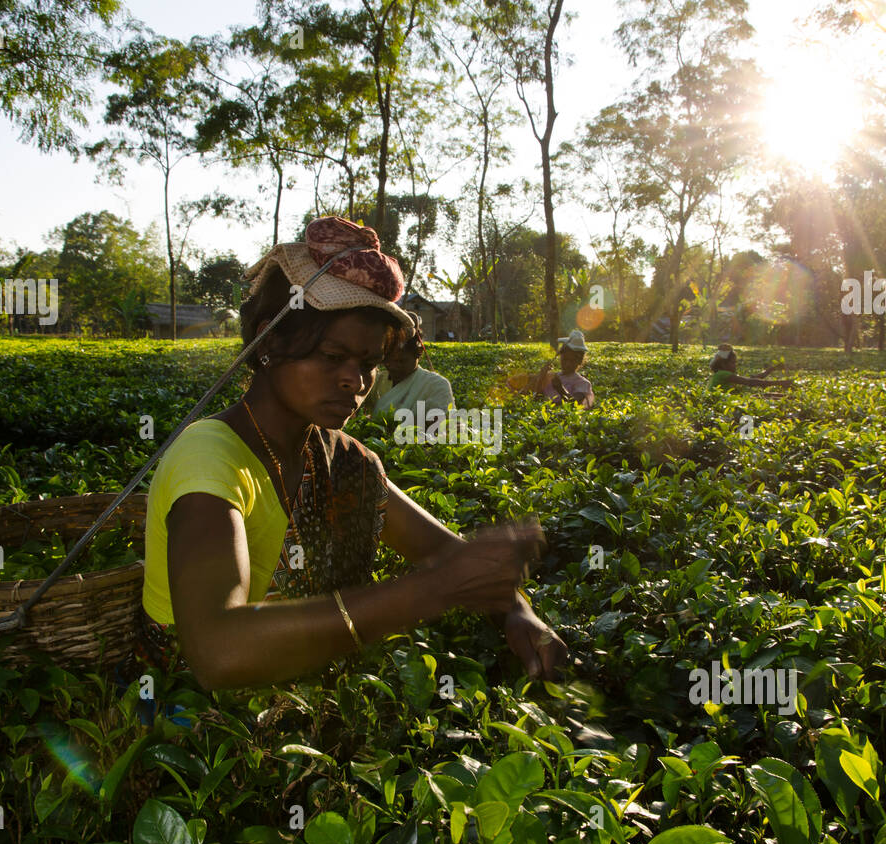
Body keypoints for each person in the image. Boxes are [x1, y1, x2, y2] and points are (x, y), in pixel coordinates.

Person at [138, 216, 566, 690]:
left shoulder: (349, 461)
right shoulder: (209, 457)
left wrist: (518, 611)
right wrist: (430, 591)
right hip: (195, 720)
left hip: (304, 698)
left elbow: (449, 555)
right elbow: (217, 653)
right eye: (331, 356)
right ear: (269, 343)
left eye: (367, 363)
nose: (355, 381)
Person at [366, 313, 455, 418]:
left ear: (419, 352)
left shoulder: (436, 385)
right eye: (388, 361)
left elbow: (444, 427)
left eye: (401, 361)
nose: (393, 367)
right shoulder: (378, 381)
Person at [535, 329, 595, 408]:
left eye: (572, 361)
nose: (567, 364)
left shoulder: (583, 383)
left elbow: (576, 405)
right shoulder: (552, 377)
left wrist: (560, 389)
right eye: (565, 360)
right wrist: (541, 379)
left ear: (579, 361)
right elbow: (537, 399)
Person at [707, 344, 796, 391]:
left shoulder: (724, 374)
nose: (735, 365)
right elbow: (750, 382)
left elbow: (753, 378)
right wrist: (779, 383)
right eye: (733, 363)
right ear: (723, 364)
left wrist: (771, 369)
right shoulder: (723, 374)